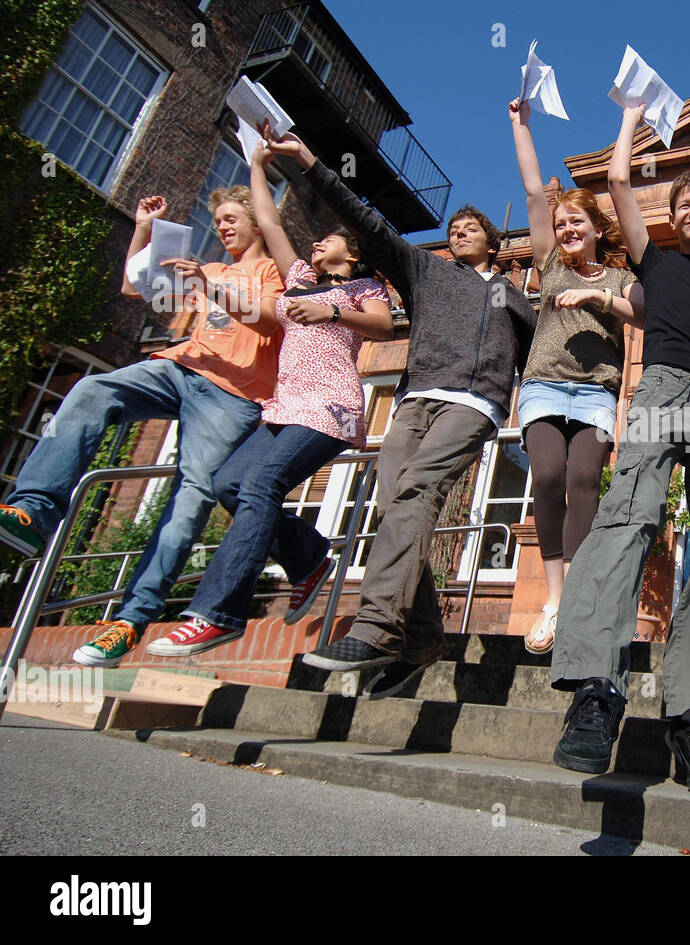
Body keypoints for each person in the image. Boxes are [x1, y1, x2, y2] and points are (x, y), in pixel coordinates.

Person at [548, 104, 690, 798]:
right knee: (627, 520)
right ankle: (596, 689)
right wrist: (631, 116)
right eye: (686, 203)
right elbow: (618, 180)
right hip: (659, 396)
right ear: (674, 216)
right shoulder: (656, 263)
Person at [263, 129, 536, 700]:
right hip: (415, 400)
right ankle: (422, 638)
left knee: (415, 494)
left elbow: (545, 353)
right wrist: (309, 161)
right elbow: (366, 219)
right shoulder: (424, 271)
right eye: (454, 229)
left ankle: (376, 627)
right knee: (394, 509)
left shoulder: (513, 296)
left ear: (493, 241)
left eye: (471, 229)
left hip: (475, 403)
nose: (459, 233)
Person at [0, 190, 284, 667]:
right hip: (179, 368)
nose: (222, 227)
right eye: (217, 221)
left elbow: (271, 317)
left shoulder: (274, 271)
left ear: (258, 223)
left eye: (232, 218)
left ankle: (131, 618)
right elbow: (138, 288)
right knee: (92, 392)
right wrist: (143, 230)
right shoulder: (209, 272)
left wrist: (211, 287)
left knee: (193, 494)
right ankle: (34, 512)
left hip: (234, 394)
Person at [145, 141, 394, 658]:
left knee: (260, 483)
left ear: (352, 254)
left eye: (331, 239)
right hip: (285, 406)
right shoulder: (301, 278)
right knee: (228, 483)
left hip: (330, 406)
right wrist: (258, 165)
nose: (319, 240)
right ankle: (309, 558)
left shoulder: (363, 289)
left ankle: (217, 613)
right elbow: (271, 223)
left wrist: (333, 315)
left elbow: (385, 326)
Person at [508, 97, 644, 654]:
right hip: (542, 386)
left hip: (595, 393)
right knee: (546, 477)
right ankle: (556, 601)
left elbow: (644, 314)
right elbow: (536, 192)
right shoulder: (550, 265)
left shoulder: (619, 274)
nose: (564, 228)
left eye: (575, 222)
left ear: (594, 228)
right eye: (561, 223)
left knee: (585, 480)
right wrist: (521, 126)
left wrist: (597, 296)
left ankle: (580, 598)